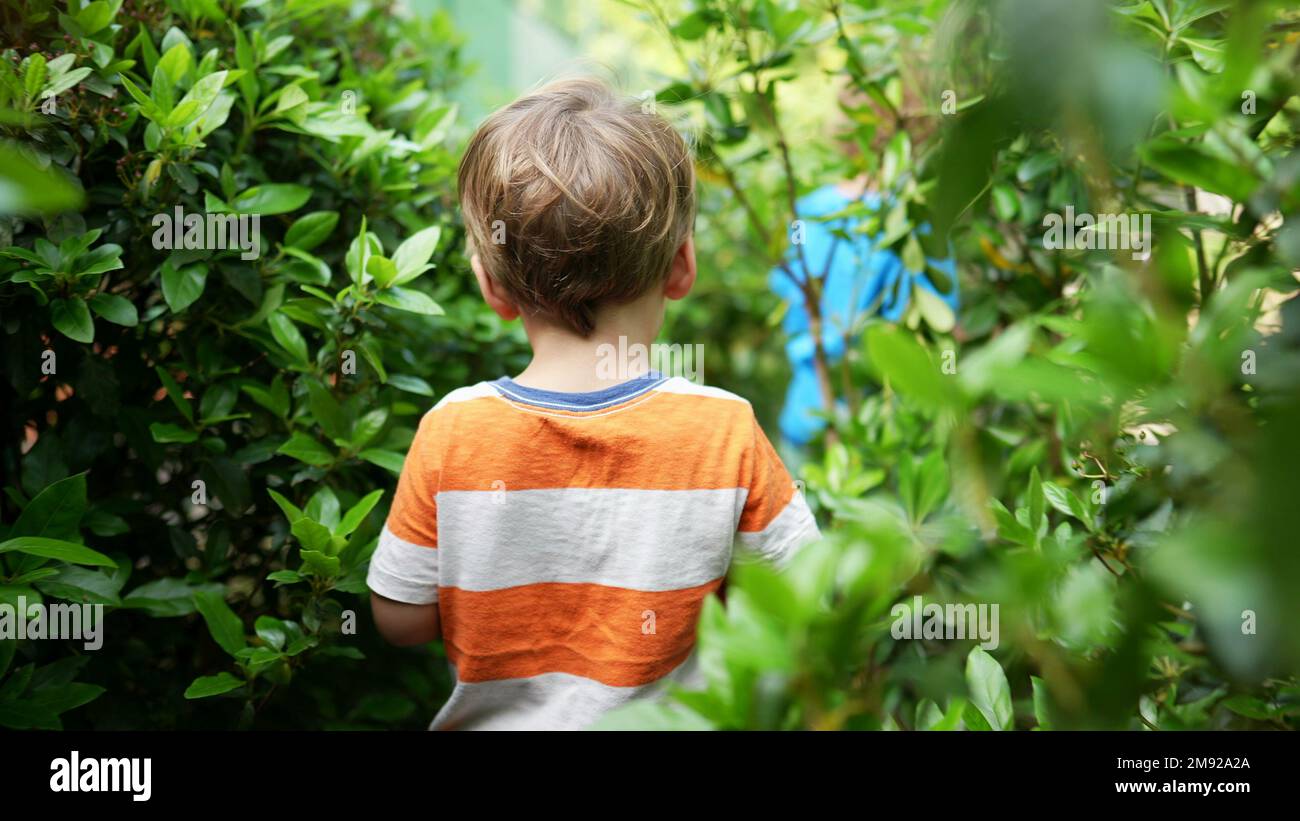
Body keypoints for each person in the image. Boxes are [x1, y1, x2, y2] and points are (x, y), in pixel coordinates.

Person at [366, 77, 820, 730]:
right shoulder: (722, 430)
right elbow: (807, 595)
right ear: (682, 266)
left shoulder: (453, 431)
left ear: (493, 288)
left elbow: (401, 618)